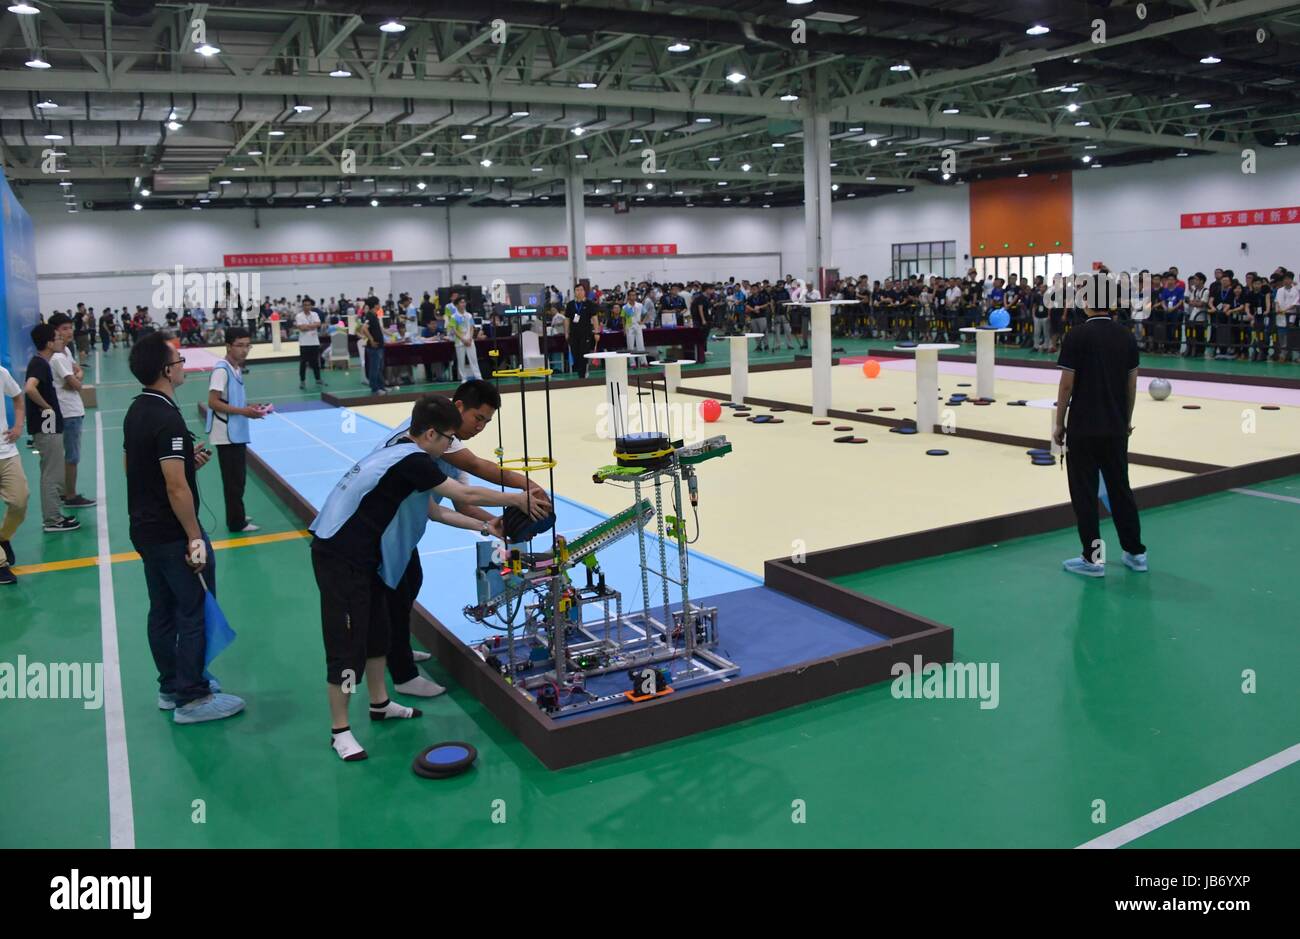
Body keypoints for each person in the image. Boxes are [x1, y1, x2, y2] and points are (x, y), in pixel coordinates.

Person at [309, 394, 550, 762]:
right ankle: (339, 731)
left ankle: (380, 704)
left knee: (378, 630)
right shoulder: (414, 459)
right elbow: (464, 492)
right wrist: (517, 498)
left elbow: (435, 511)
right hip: (338, 556)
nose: (450, 448)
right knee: (347, 647)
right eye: (448, 439)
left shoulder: (401, 449)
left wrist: (487, 525)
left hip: (368, 554)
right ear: (432, 434)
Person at [377, 380, 551, 696]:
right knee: (393, 596)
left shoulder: (447, 443)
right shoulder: (438, 430)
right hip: (383, 529)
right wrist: (528, 488)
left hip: (404, 528)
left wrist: (496, 525)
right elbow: (477, 468)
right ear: (458, 408)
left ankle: (397, 650)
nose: (481, 427)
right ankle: (402, 675)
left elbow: (463, 504)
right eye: (478, 418)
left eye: (487, 422)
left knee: (409, 585)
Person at [124, 332, 245, 723]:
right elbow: (176, 488)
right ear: (165, 370)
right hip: (172, 532)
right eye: (178, 361)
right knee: (191, 609)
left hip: (144, 528)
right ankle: (192, 698)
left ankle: (170, 685)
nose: (182, 366)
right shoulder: (168, 417)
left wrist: (183, 461)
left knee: (162, 608)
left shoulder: (136, 410)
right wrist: (194, 535)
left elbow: (135, 468)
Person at [1052, 279, 1146, 578]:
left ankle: (1093, 559)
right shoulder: (1126, 337)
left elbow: (1067, 384)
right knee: (1120, 490)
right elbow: (1132, 385)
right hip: (1115, 428)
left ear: (1086, 302)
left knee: (1085, 493)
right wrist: (1126, 420)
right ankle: (1135, 552)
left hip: (1083, 427)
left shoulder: (1077, 336)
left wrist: (1059, 422)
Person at [205, 328, 267, 534]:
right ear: (228, 346)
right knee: (233, 481)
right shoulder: (221, 370)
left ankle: (237, 513)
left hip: (236, 430)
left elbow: (232, 399)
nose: (244, 350)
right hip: (226, 434)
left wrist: (251, 407)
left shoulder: (236, 369)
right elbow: (213, 402)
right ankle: (236, 522)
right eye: (239, 345)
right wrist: (243, 411)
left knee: (238, 478)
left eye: (247, 345)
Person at [25, 324, 79, 534]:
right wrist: (47, 407)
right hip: (46, 425)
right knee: (52, 473)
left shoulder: (42, 363)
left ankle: (54, 516)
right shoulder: (39, 364)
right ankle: (52, 519)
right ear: (48, 343)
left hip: (48, 424)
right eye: (57, 337)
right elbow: (30, 388)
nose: (61, 340)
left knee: (52, 471)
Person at [46, 314, 95, 510]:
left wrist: (77, 376)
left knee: (71, 455)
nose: (69, 332)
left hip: (75, 409)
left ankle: (66, 491)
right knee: (71, 456)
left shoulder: (65, 350)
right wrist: (77, 379)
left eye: (70, 328)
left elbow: (78, 370)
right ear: (55, 332)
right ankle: (70, 495)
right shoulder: (57, 357)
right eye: (64, 329)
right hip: (67, 412)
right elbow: (76, 383)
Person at [0, 362, 29, 586]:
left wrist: (18, 426)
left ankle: (3, 537)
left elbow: (18, 398)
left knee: (20, 501)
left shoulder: (1, 373)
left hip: (6, 451)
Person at [564, 283, 599, 378]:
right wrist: (566, 332)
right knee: (576, 354)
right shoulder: (570, 305)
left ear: (584, 292)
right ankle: (581, 372)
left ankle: (582, 375)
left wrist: (597, 332)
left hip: (586, 334)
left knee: (584, 354)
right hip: (574, 334)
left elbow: (595, 318)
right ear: (574, 292)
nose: (579, 292)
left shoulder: (589, 304)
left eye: (581, 290)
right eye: (577, 290)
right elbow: (567, 319)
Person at [295, 296, 325, 390]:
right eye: (304, 305)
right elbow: (301, 328)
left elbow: (318, 324)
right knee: (303, 363)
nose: (306, 307)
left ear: (311, 306)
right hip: (304, 343)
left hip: (314, 342)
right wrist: (312, 326)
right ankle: (302, 381)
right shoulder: (299, 316)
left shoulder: (315, 314)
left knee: (315, 362)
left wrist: (307, 326)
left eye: (308, 305)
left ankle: (318, 379)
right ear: (302, 306)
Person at [358, 297, 386, 395]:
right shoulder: (370, 315)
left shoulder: (374, 315)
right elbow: (364, 329)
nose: (380, 305)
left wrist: (388, 333)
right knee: (374, 368)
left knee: (379, 368)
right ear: (375, 305)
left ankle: (381, 387)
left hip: (379, 346)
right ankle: (375, 389)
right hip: (375, 347)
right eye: (379, 303)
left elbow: (378, 328)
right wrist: (372, 340)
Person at [450, 296, 481, 381]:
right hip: (459, 342)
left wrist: (470, 338)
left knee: (473, 360)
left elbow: (471, 327)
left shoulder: (469, 315)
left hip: (470, 341)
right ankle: (464, 378)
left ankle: (478, 377)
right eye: (461, 302)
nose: (463, 304)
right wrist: (463, 339)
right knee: (461, 361)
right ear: (457, 305)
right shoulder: (453, 317)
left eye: (464, 302)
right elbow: (454, 330)